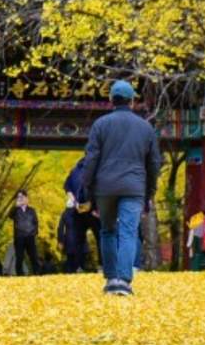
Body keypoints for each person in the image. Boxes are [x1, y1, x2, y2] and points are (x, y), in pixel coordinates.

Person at [82, 80, 160, 295]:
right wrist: (149, 191)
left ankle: (111, 278)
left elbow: (91, 159)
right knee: (128, 231)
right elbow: (154, 162)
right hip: (134, 187)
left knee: (107, 230)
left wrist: (88, 189)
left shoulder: (100, 125)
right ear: (132, 100)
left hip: (105, 187)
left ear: (111, 100)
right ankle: (124, 282)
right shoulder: (145, 127)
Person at [65, 157, 101, 271]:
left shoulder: (74, 170)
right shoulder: (97, 168)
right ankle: (102, 265)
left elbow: (67, 187)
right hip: (92, 208)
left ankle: (79, 266)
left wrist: (74, 200)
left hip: (79, 208)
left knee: (79, 239)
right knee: (100, 236)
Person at [10, 190, 40, 276]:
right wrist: (15, 206)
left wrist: (34, 233)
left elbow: (36, 222)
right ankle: (20, 273)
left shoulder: (31, 210)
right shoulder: (15, 210)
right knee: (19, 257)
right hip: (19, 237)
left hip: (30, 237)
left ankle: (37, 272)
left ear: (26, 198)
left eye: (22, 197)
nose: (20, 199)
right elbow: (10, 215)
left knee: (33, 256)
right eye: (18, 197)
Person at [57, 195, 86, 273]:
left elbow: (60, 228)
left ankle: (71, 272)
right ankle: (80, 269)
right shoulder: (79, 211)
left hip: (69, 239)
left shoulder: (64, 213)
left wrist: (60, 240)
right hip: (80, 237)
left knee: (70, 259)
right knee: (81, 257)